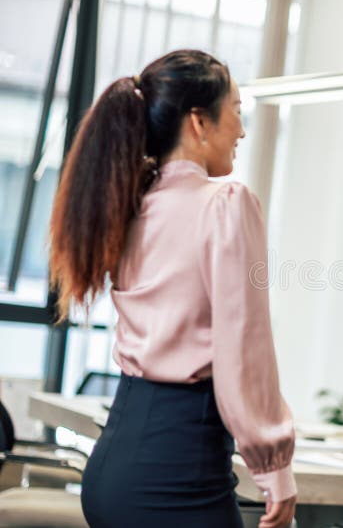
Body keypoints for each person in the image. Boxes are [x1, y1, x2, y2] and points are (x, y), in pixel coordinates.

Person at [49, 50, 296, 528]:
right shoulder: (226, 203)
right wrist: (276, 471)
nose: (242, 131)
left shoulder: (131, 202)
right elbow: (245, 351)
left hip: (111, 468)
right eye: (237, 112)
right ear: (199, 121)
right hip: (179, 474)